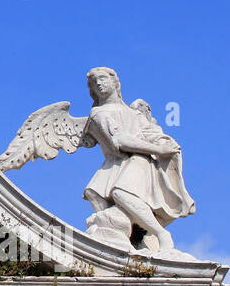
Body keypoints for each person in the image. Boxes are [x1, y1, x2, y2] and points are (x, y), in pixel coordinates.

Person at [82, 67, 194, 253]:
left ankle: (159, 234)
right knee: (99, 200)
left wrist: (166, 144)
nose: (99, 83)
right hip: (116, 164)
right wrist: (158, 149)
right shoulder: (97, 114)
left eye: (102, 79)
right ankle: (133, 243)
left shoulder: (133, 113)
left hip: (139, 163)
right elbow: (119, 140)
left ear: (115, 82)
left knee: (120, 194)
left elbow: (150, 133)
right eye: (94, 83)